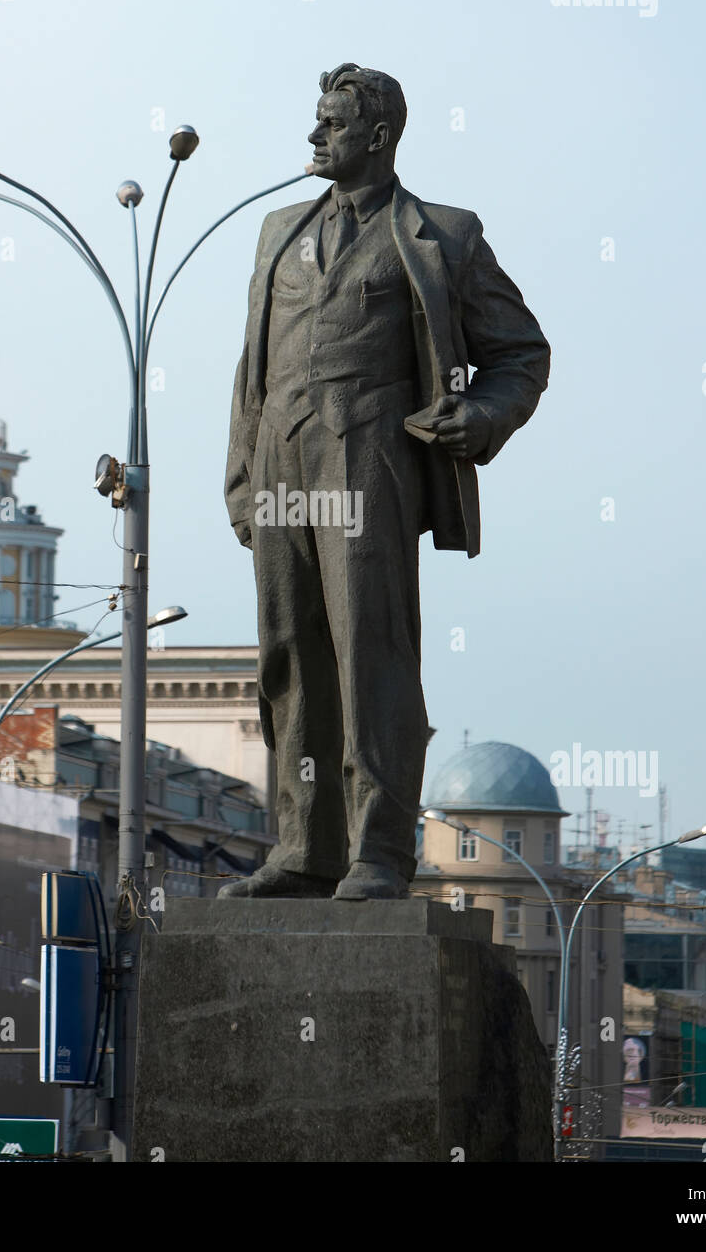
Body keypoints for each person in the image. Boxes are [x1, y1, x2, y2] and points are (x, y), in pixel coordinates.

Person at [221, 64, 550, 900]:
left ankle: (376, 852)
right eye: (316, 120)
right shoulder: (275, 232)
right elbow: (250, 369)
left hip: (369, 463)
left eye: (330, 124)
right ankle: (303, 847)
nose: (313, 137)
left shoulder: (442, 233)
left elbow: (520, 354)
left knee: (370, 650)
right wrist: (239, 476)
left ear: (377, 136)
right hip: (280, 469)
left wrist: (478, 418)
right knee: (289, 655)